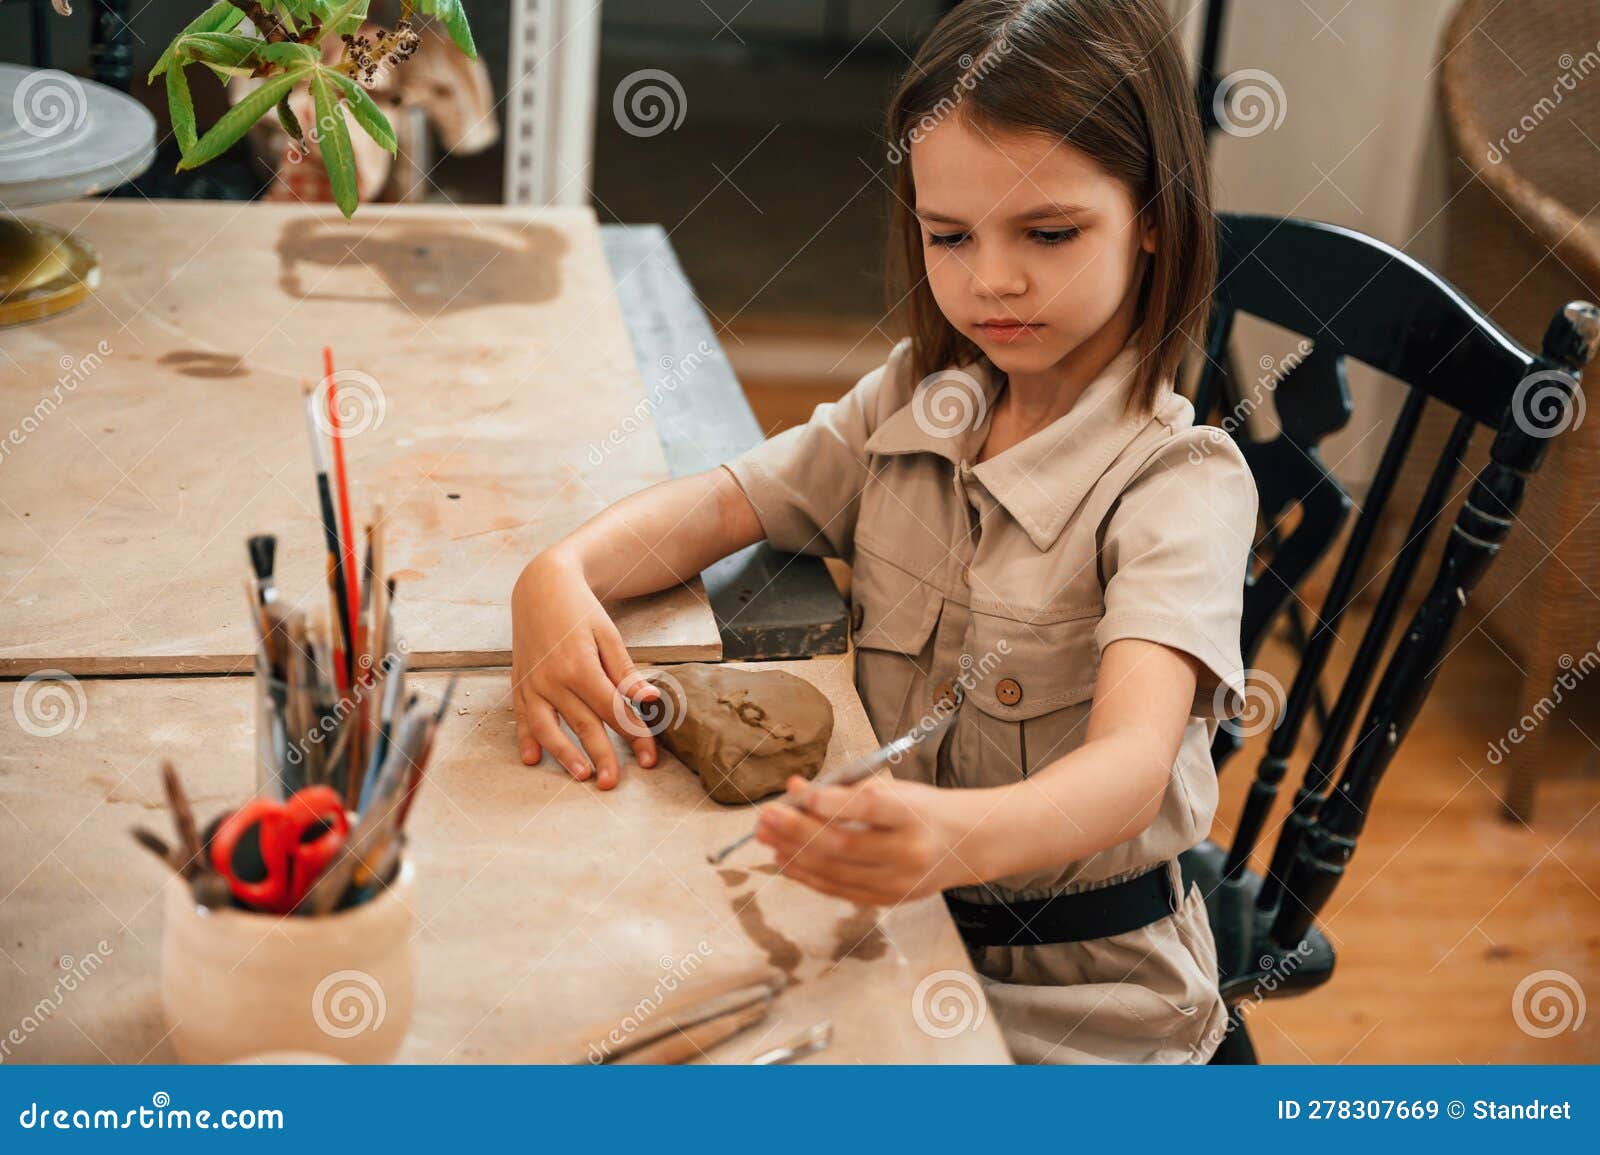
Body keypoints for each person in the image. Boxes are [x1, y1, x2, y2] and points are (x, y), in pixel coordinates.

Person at [510, 0, 1258, 1064]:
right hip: (898, 934)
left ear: (1151, 212)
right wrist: (560, 573)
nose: (991, 278)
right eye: (948, 235)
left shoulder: (1177, 483)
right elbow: (726, 503)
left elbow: (1131, 766)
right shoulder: (918, 398)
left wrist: (952, 839)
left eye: (1048, 233)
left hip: (1085, 1009)